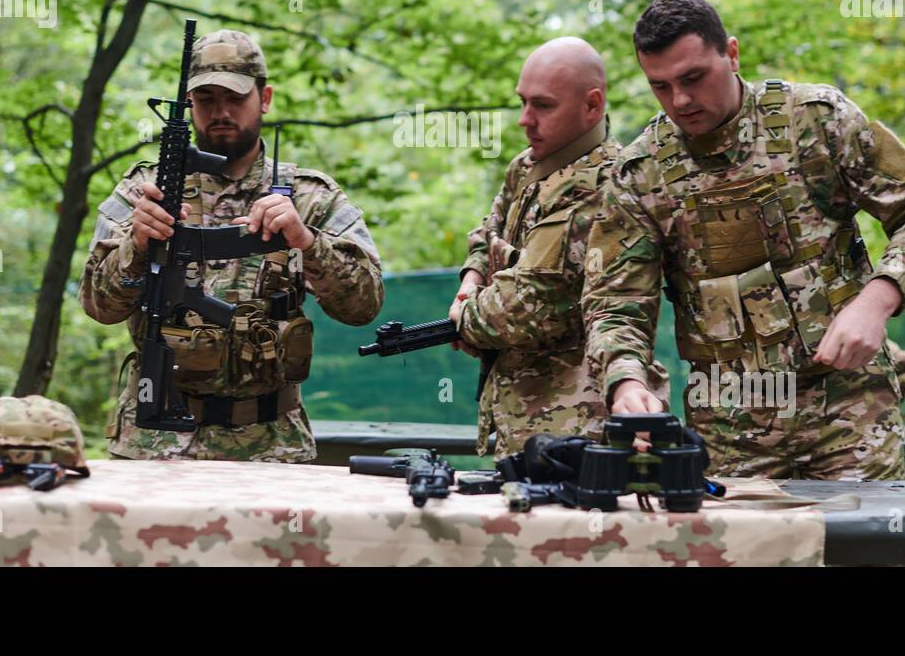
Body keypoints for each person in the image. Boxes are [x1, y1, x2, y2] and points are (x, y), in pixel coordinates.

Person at [582, 0, 905, 479]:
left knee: (865, 547)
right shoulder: (639, 174)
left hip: (849, 412)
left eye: (694, 77)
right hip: (730, 429)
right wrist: (625, 380)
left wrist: (876, 301)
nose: (680, 100)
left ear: (732, 54)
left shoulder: (816, 121)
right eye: (661, 86)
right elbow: (614, 303)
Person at [79, 30, 383, 462]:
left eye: (235, 97)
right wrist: (137, 245)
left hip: (270, 443)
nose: (221, 111)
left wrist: (307, 243)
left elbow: (364, 306)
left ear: (265, 98)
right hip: (155, 443)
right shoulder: (144, 191)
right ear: (189, 106)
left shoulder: (310, 196)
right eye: (206, 99)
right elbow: (97, 305)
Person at [451, 37, 668, 457]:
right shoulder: (529, 167)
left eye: (543, 106)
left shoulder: (610, 187)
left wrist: (465, 318)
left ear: (592, 105)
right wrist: (471, 280)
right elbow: (488, 230)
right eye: (523, 102)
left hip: (579, 426)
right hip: (519, 417)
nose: (524, 120)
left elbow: (526, 306)